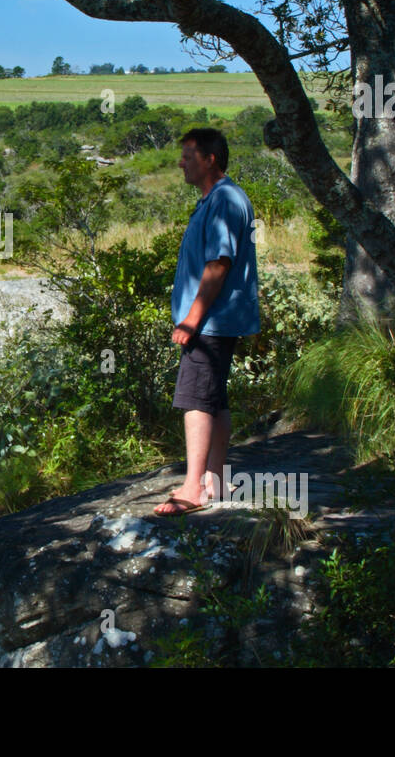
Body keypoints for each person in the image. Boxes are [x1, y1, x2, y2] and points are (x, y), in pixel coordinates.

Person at [154, 127, 260, 516]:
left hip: (210, 321)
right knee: (214, 397)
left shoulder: (225, 200)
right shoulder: (216, 199)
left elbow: (219, 263)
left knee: (196, 398)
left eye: (187, 155)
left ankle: (192, 487)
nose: (180, 162)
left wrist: (191, 320)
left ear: (210, 159)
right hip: (214, 320)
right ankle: (214, 479)